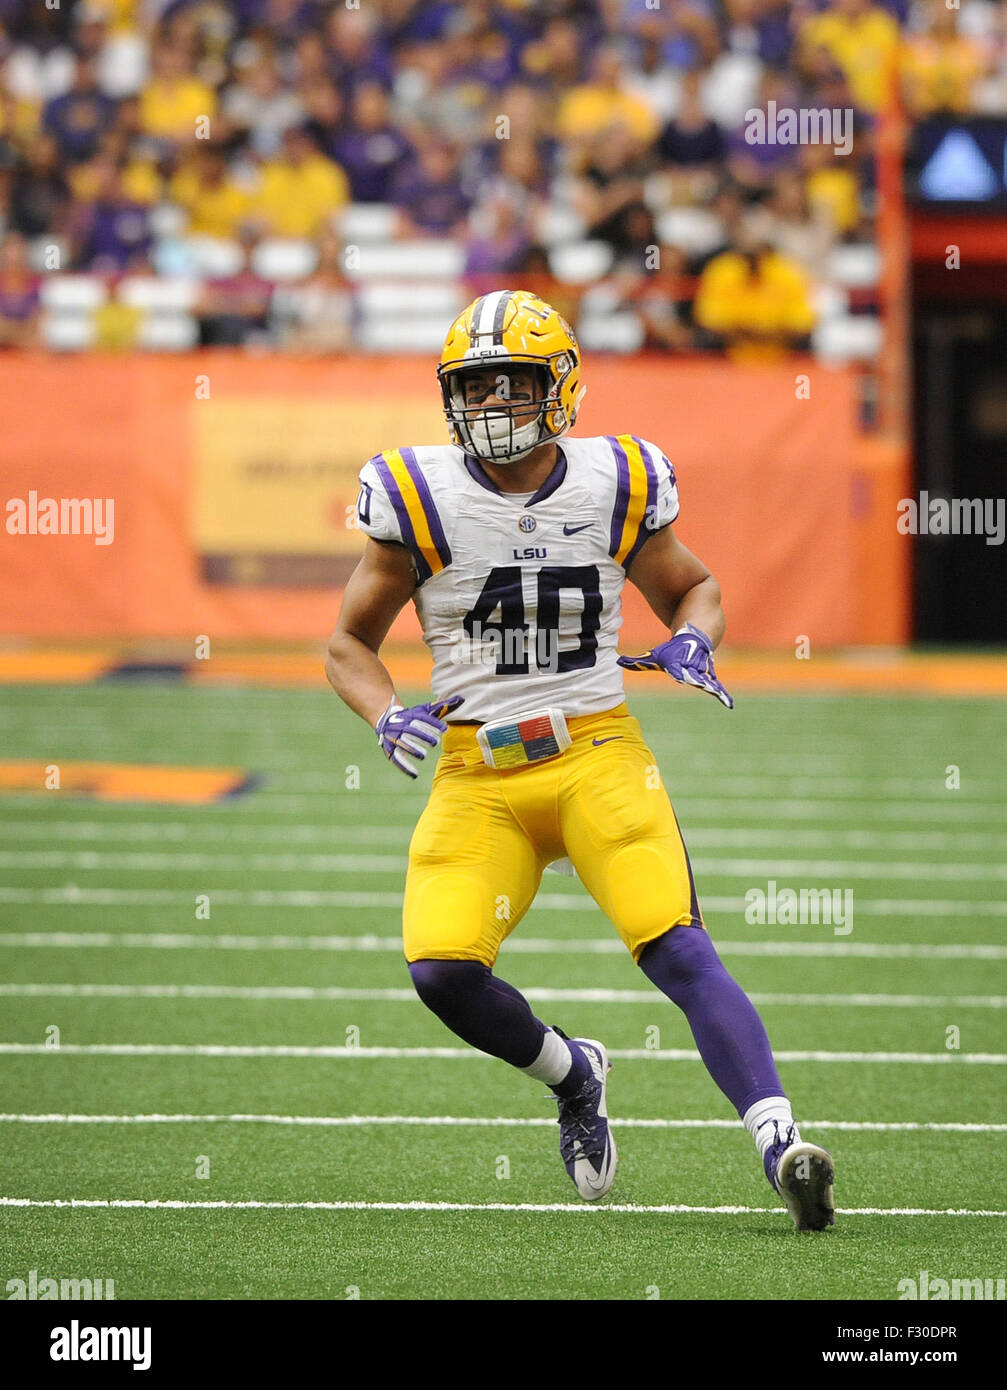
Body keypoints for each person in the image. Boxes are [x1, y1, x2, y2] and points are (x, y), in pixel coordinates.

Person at [325, 289, 835, 1231]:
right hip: (479, 773)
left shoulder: (618, 478)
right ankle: (574, 1071)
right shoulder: (417, 491)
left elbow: (694, 588)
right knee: (441, 973)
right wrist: (386, 714)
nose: (490, 405)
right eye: (473, 387)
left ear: (558, 386)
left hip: (598, 750)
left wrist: (693, 640)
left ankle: (780, 1144)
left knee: (677, 947)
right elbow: (348, 644)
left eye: (510, 383)